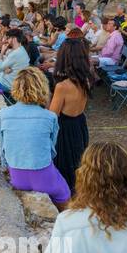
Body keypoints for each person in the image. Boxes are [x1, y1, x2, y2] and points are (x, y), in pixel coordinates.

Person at [0, 68, 72, 209]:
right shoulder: (50, 117)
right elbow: (51, 151)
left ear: (15, 87)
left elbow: (3, 151)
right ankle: (65, 222)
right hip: (43, 175)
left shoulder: (3, 114)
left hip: (16, 177)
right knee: (65, 192)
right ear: (42, 88)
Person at [50, 37, 91, 192]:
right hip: (80, 123)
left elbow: (52, 116)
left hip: (65, 129)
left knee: (64, 168)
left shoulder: (63, 86)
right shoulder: (85, 79)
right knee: (77, 162)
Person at [0, 28, 29, 93]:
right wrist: (4, 69)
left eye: (8, 38)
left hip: (5, 84)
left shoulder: (16, 53)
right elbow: (3, 67)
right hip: (10, 82)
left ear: (13, 39)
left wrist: (1, 53)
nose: (7, 40)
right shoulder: (21, 50)